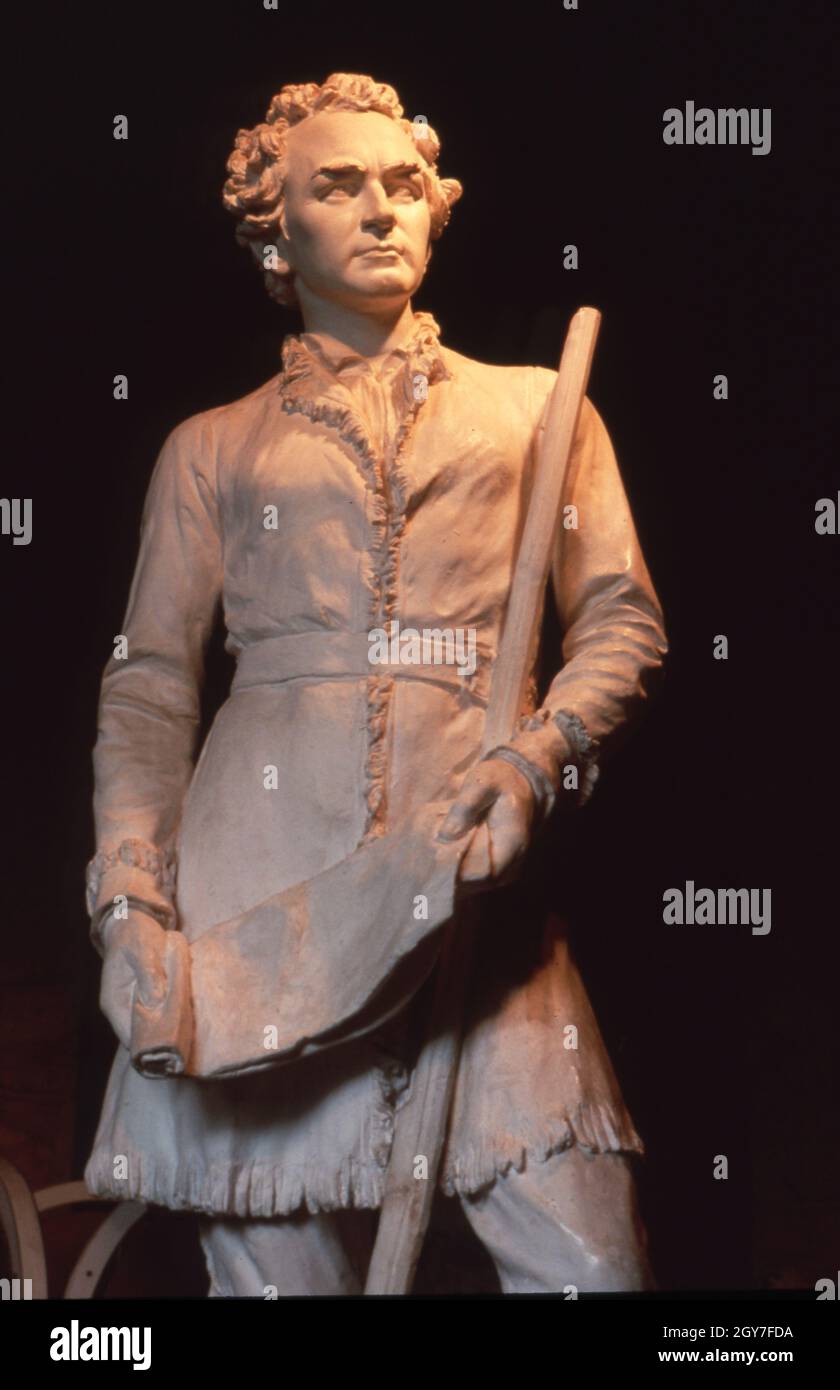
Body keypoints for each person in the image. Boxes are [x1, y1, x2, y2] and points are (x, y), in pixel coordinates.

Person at [84, 72, 668, 1295]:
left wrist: (535, 760)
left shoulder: (540, 408)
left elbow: (621, 622)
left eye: (404, 183)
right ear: (274, 230)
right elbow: (150, 692)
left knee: (593, 1266)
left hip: (472, 886)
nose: (381, 207)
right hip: (257, 913)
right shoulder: (210, 448)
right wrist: (131, 900)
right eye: (338, 186)